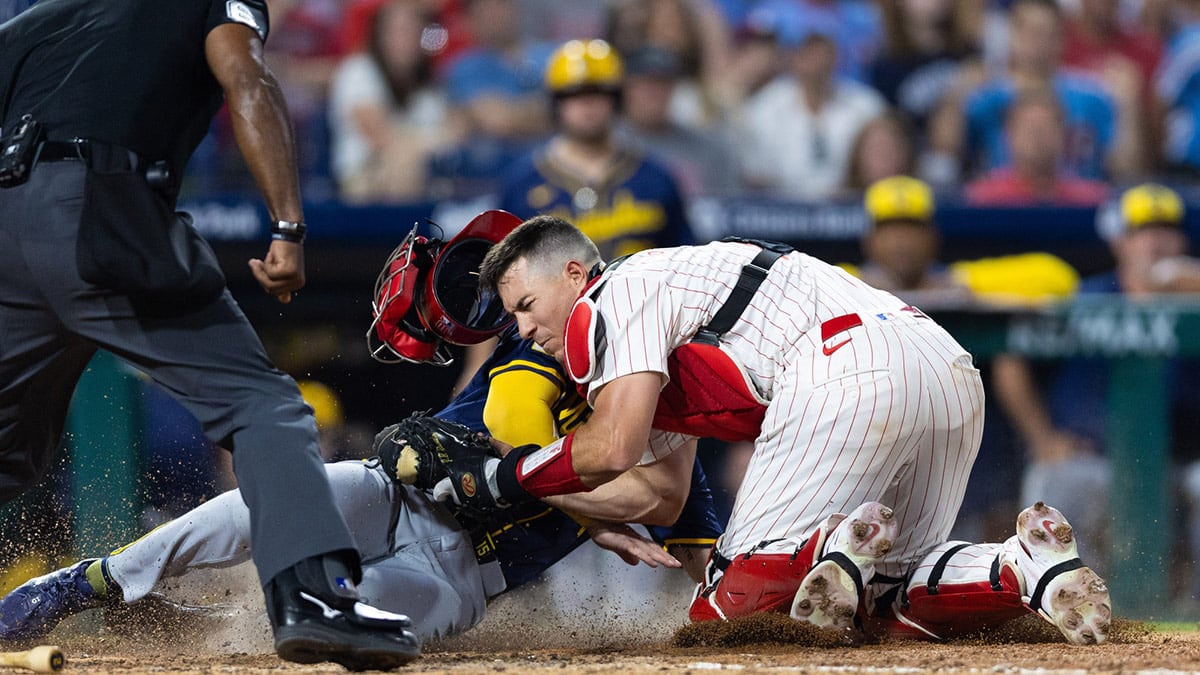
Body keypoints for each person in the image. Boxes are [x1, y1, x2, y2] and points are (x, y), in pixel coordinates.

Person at [0, 211, 721, 643]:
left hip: (466, 573)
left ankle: (185, 623)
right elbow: (508, 410)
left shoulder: (661, 413)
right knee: (279, 494)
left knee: (330, 636)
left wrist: (598, 515)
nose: (531, 324)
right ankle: (84, 584)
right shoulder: (531, 340)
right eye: (527, 308)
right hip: (398, 494)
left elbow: (669, 515)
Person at [443, 214, 1111, 644]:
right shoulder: (654, 321)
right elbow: (660, 497)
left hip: (848, 365)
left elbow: (612, 447)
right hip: (943, 365)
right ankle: (1025, 569)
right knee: (887, 597)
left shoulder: (611, 296)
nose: (523, 330)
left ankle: (825, 542)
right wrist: (556, 497)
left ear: (573, 273)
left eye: (527, 305)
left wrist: (504, 475)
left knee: (725, 617)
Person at [0, 0, 416, 668]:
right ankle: (313, 598)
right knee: (263, 405)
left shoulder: (43, 16)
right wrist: (287, 226)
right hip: (104, 207)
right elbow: (247, 78)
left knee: (8, 450)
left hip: (8, 225)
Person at [990, 183, 1200, 578]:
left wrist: (1184, 282)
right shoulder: (1087, 296)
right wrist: (1043, 438)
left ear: (1181, 241)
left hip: (1182, 460)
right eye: (1142, 232)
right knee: (1058, 484)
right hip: (1094, 457)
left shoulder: (1193, 303)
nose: (1155, 243)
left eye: (1166, 231)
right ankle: (1072, 605)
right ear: (1121, 242)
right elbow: (1008, 353)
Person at [497, 39, 694, 261]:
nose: (587, 104)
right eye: (574, 93)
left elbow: (685, 264)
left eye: (599, 92)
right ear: (556, 103)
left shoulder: (656, 178)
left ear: (616, 100)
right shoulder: (521, 184)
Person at [732, 23, 886, 200]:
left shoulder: (866, 105)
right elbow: (755, 174)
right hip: (781, 209)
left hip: (852, 204)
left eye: (824, 53)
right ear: (794, 57)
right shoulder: (764, 108)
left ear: (837, 58)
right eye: (810, 53)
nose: (818, 62)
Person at [964, 89, 1111, 206]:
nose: (1037, 138)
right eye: (1030, 129)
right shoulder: (982, 199)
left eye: (1044, 129)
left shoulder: (1092, 200)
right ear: (1009, 135)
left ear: (1063, 135)